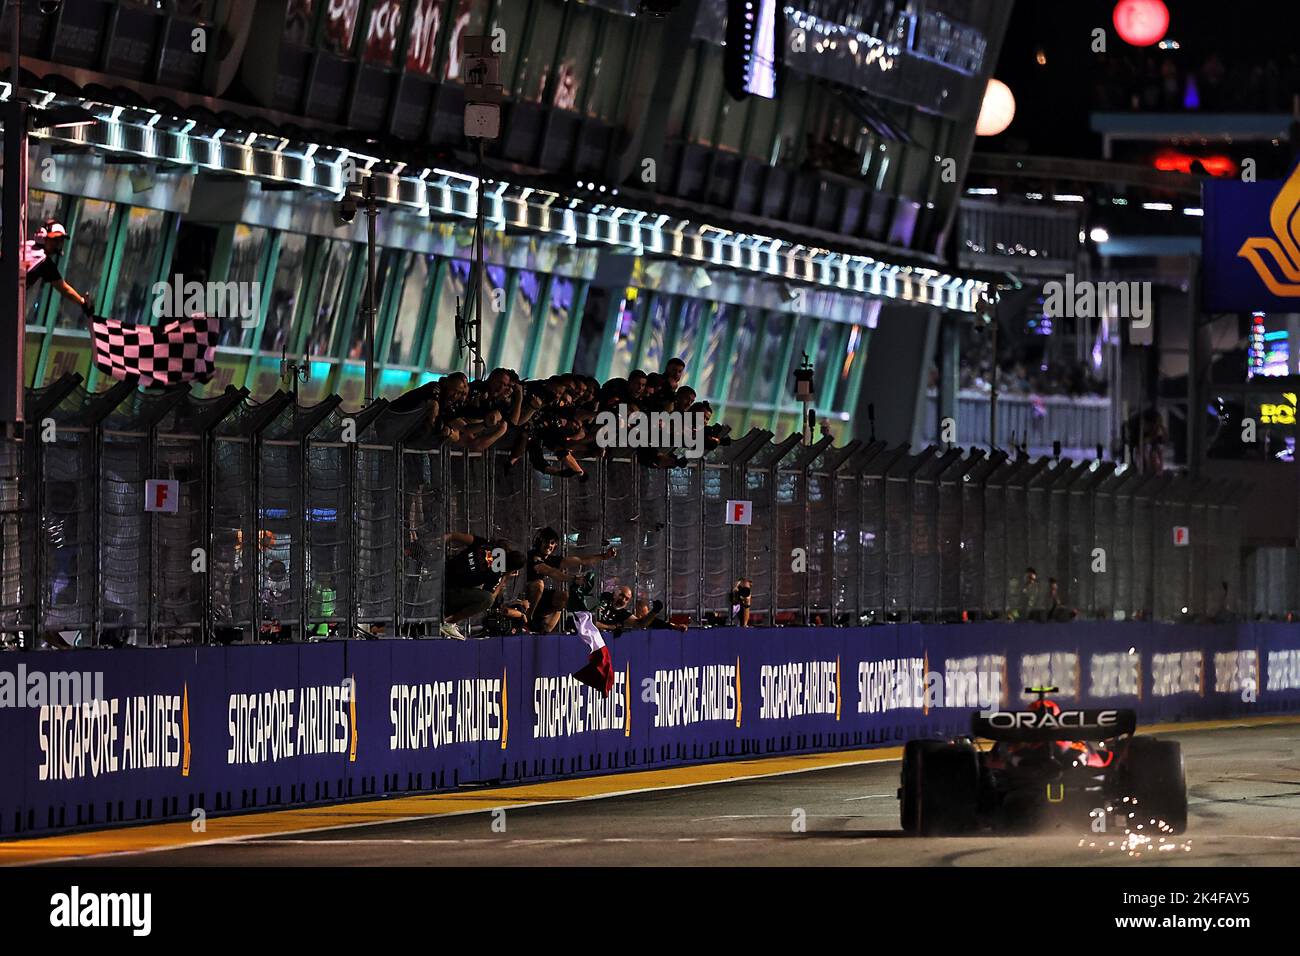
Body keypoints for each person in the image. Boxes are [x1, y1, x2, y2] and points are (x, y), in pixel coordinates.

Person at [522, 527, 617, 633]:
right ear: (539, 542)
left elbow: (581, 560)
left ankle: (544, 631)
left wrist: (604, 556)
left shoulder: (550, 559)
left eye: (552, 543)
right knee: (538, 584)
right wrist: (573, 579)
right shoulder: (532, 557)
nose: (549, 545)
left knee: (565, 597)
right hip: (525, 598)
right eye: (546, 542)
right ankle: (527, 620)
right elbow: (550, 572)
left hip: (540, 601)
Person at [440, 531, 525, 640]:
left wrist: (437, 545)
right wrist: (505, 578)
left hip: (439, 571)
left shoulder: (486, 544)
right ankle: (449, 623)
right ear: (512, 569)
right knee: (487, 599)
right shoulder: (497, 572)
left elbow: (452, 535)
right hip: (447, 590)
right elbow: (490, 598)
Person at [23, 220, 93, 316]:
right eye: (54, 239)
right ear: (43, 237)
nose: (58, 243)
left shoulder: (27, 244)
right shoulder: (44, 262)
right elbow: (64, 289)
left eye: (60, 240)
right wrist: (83, 303)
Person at [593, 586, 687, 635]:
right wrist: (611, 627)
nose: (623, 600)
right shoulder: (602, 598)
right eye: (622, 595)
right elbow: (588, 620)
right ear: (615, 593)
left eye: (627, 599)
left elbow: (641, 624)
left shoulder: (622, 613)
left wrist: (654, 611)